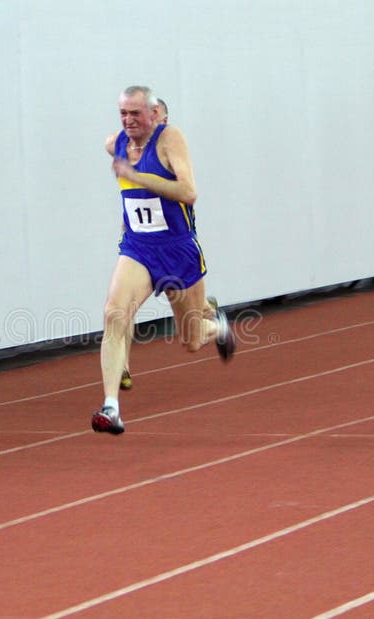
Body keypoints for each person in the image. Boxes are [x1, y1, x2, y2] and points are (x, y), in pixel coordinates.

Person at [93, 86, 234, 435]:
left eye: (135, 113)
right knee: (114, 313)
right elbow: (109, 144)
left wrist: (136, 176)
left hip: (177, 251)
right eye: (123, 113)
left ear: (154, 114)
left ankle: (217, 326)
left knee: (191, 341)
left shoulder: (170, 139)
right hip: (138, 249)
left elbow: (189, 192)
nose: (128, 120)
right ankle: (111, 408)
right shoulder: (118, 143)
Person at [120, 96, 169, 392]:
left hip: (172, 247)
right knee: (123, 307)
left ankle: (210, 315)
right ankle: (122, 366)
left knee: (193, 330)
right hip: (139, 246)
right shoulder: (133, 149)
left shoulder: (170, 154)